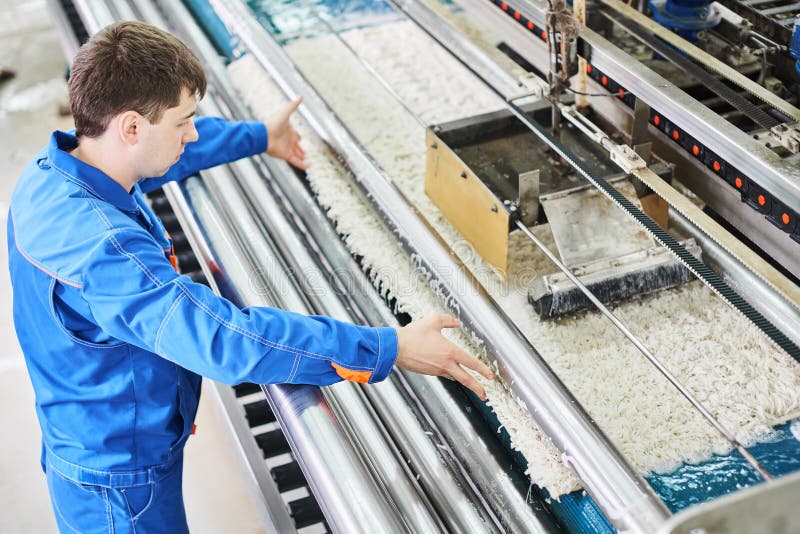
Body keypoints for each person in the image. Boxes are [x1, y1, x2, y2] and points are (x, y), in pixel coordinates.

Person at [7, 21, 493, 533]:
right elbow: (223, 339)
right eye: (184, 122)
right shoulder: (105, 249)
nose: (192, 133)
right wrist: (386, 347)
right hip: (118, 489)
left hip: (89, 439)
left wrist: (260, 136)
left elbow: (169, 153)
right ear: (130, 127)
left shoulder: (56, 171)